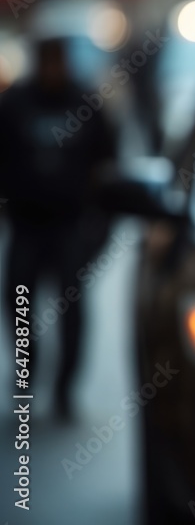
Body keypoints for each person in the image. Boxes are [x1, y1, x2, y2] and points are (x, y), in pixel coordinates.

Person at [0, 37, 117, 420]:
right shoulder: (16, 104)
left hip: (70, 226)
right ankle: (27, 369)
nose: (53, 71)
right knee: (18, 304)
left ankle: (66, 388)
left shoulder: (85, 102)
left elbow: (107, 165)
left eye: (58, 63)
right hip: (26, 225)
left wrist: (102, 226)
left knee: (72, 312)